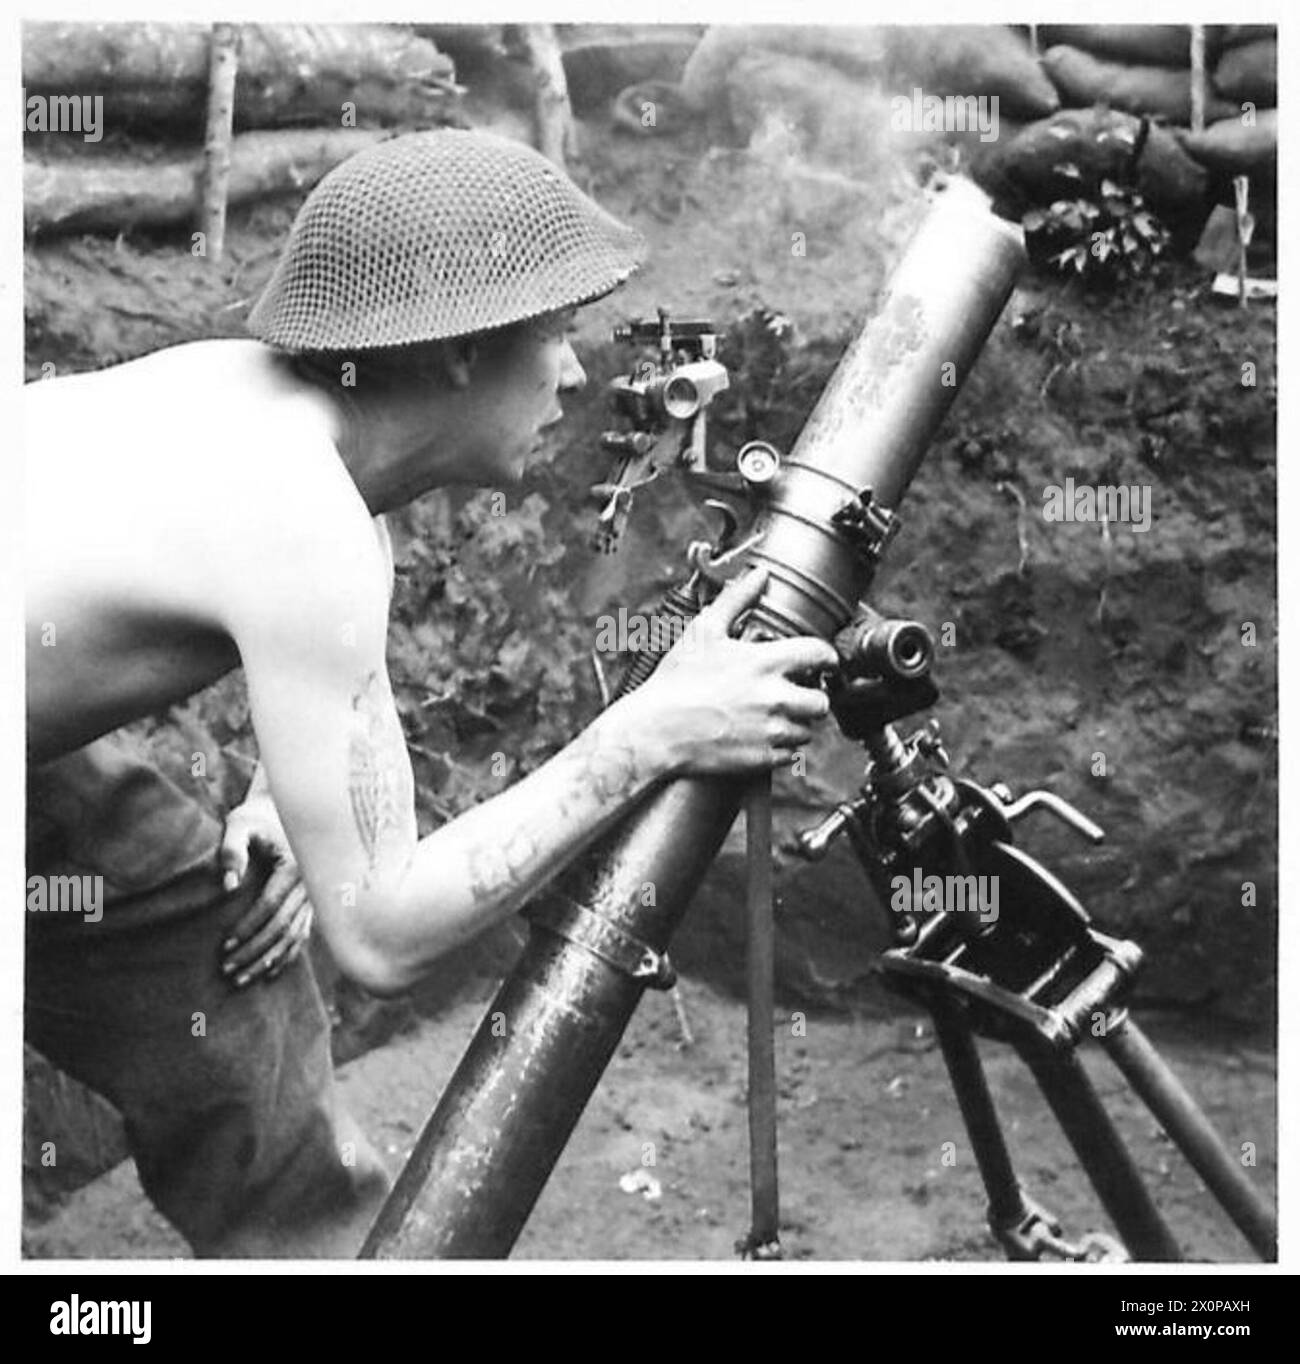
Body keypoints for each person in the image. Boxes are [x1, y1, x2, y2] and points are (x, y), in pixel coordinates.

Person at [24, 129, 837, 1255]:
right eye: (551, 336)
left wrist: (276, 794)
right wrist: (647, 732)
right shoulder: (298, 514)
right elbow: (385, 936)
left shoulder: (310, 429)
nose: (577, 372)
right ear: (454, 353)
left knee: (216, 966)